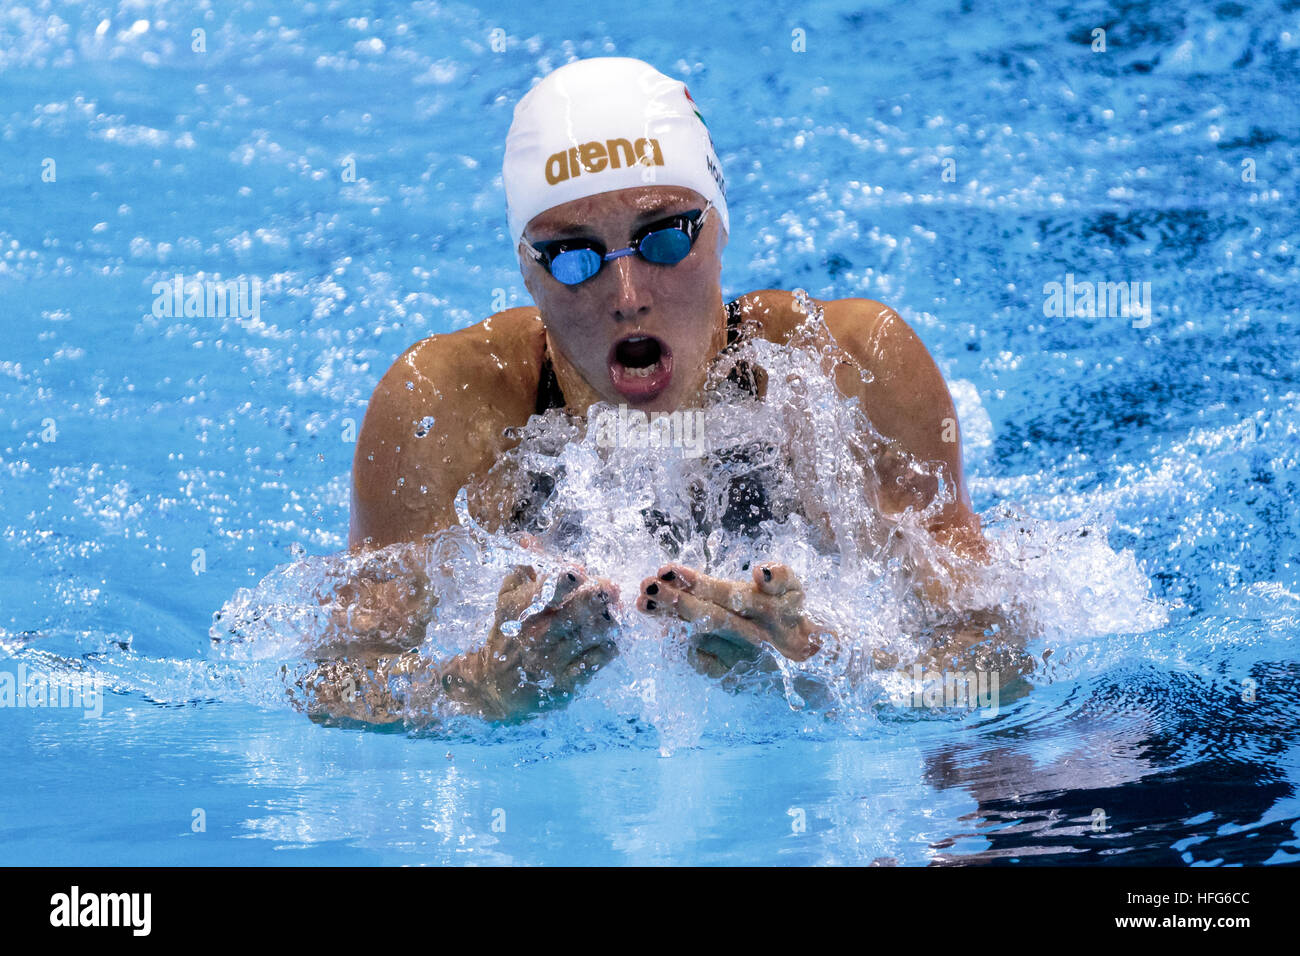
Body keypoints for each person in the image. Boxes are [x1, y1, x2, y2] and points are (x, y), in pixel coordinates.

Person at [304, 57, 996, 725]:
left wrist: (824, 669)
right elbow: (334, 682)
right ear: (527, 272)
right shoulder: (446, 406)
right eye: (573, 258)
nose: (628, 297)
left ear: (719, 226)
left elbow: (996, 660)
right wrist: (481, 690)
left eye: (663, 239)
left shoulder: (844, 367)